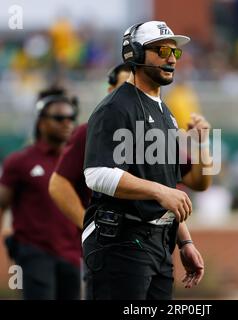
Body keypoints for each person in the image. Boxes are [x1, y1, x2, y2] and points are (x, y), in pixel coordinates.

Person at [82, 21, 213, 300]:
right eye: (161, 50)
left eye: (174, 52)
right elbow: (95, 174)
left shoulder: (165, 110)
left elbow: (167, 186)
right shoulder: (115, 107)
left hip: (159, 244)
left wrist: (184, 241)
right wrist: (159, 191)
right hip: (119, 242)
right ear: (135, 54)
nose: (170, 58)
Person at [0, 87, 82, 300]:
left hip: (72, 253)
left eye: (71, 117)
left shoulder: (78, 162)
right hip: (34, 253)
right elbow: (2, 204)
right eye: (59, 117)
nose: (67, 122)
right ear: (41, 122)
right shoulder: (20, 161)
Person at [49, 63, 131, 229]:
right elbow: (58, 184)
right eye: (126, 88)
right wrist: (88, 225)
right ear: (111, 90)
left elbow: (194, 181)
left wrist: (200, 142)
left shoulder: (156, 128)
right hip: (111, 241)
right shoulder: (90, 131)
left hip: (155, 241)